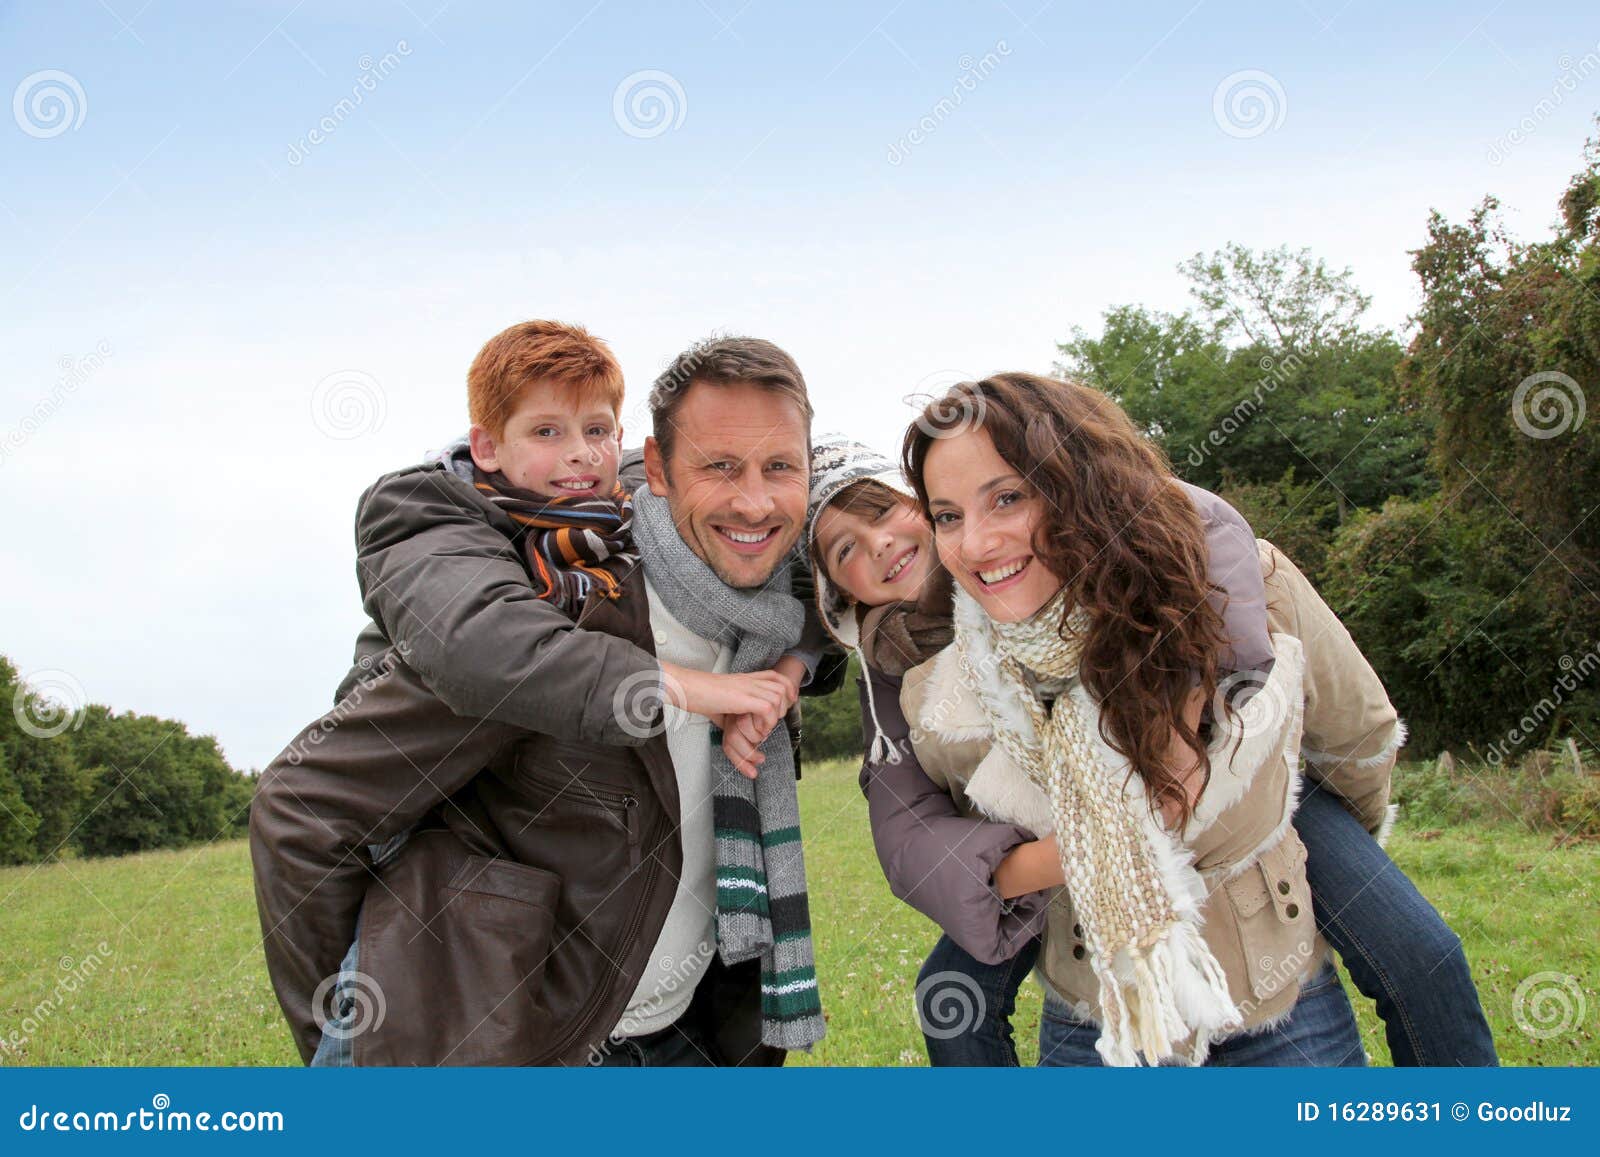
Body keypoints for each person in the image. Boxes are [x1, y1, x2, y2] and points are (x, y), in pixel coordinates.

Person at [808, 390, 1495, 1064]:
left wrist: (1200, 730)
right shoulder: (899, 672)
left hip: (1242, 798)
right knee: (950, 995)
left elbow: (1201, 529)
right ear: (839, 593)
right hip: (1053, 863)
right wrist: (1072, 849)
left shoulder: (1155, 551)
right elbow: (909, 836)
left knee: (1421, 953)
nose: (883, 544)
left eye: (888, 511)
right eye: (845, 551)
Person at [250, 325, 831, 1066]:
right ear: (659, 468)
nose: (753, 502)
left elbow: (868, 540)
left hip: (694, 1038)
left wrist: (791, 668)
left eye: (779, 466)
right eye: (719, 466)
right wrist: (366, 1034)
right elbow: (301, 806)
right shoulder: (537, 607)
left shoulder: (766, 604)